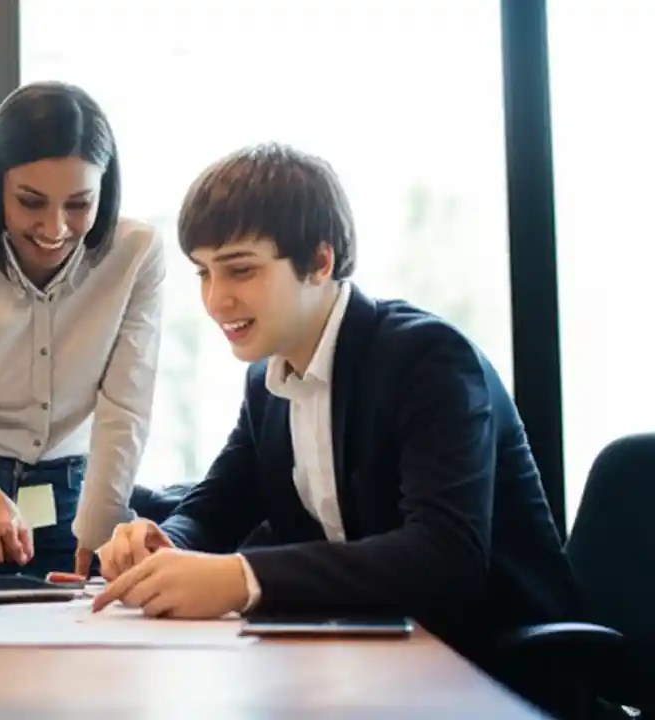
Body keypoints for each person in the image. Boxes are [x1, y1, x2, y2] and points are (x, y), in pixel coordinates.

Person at [92, 143, 580, 668]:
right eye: (204, 273)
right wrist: (160, 543)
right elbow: (218, 507)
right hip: (368, 664)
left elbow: (446, 557)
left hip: (491, 671)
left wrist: (241, 578)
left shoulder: (427, 360)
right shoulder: (268, 381)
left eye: (240, 270)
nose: (216, 300)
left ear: (320, 262)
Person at [0, 81, 185, 580]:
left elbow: (125, 408)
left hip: (72, 494)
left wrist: (99, 531)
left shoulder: (135, 255)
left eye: (78, 204)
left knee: (76, 648)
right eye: (31, 202)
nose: (55, 227)